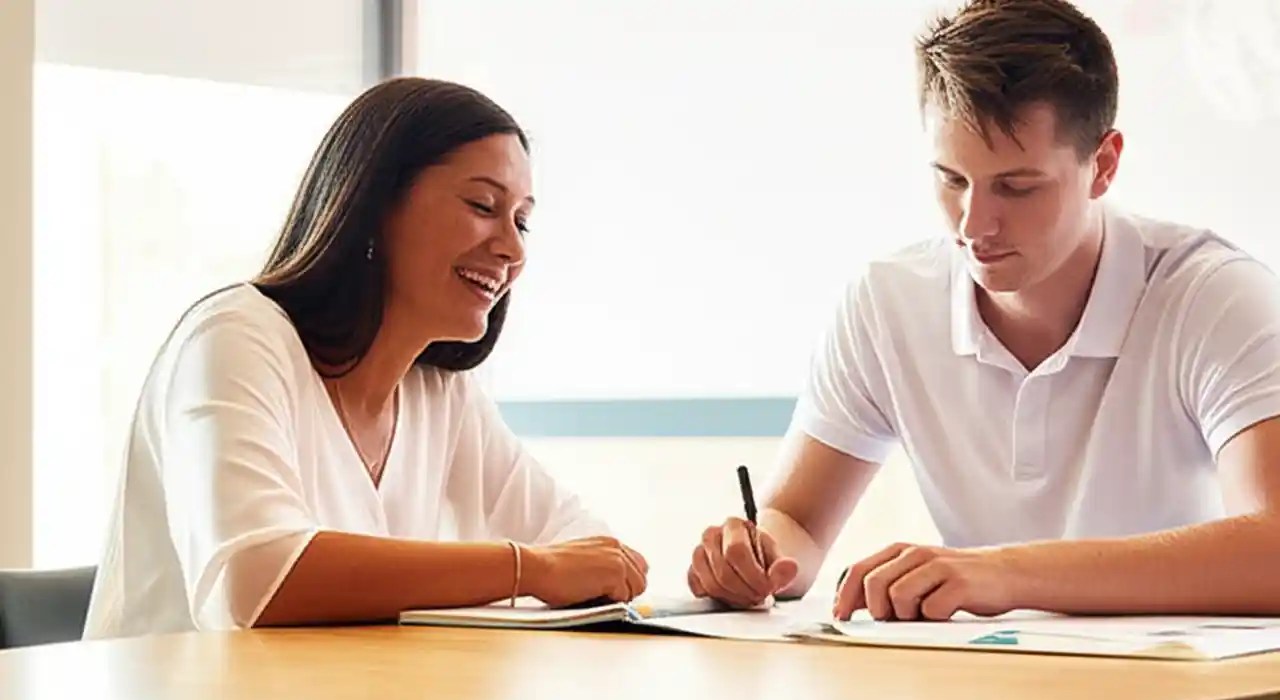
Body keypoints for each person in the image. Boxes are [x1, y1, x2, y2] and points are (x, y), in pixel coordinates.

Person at [688, 0, 1280, 621]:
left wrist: (1003, 573)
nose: (974, 226)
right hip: (985, 671)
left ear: (1103, 165)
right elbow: (797, 525)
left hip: (1175, 679)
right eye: (952, 180)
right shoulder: (888, 302)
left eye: (1016, 188)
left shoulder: (1214, 295)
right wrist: (756, 558)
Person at [84, 78, 648, 640]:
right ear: (375, 203)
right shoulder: (233, 338)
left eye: (521, 221)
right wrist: (528, 569)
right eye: (483, 206)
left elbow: (580, 548)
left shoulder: (438, 391)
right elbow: (253, 579)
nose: (513, 248)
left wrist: (657, 571)